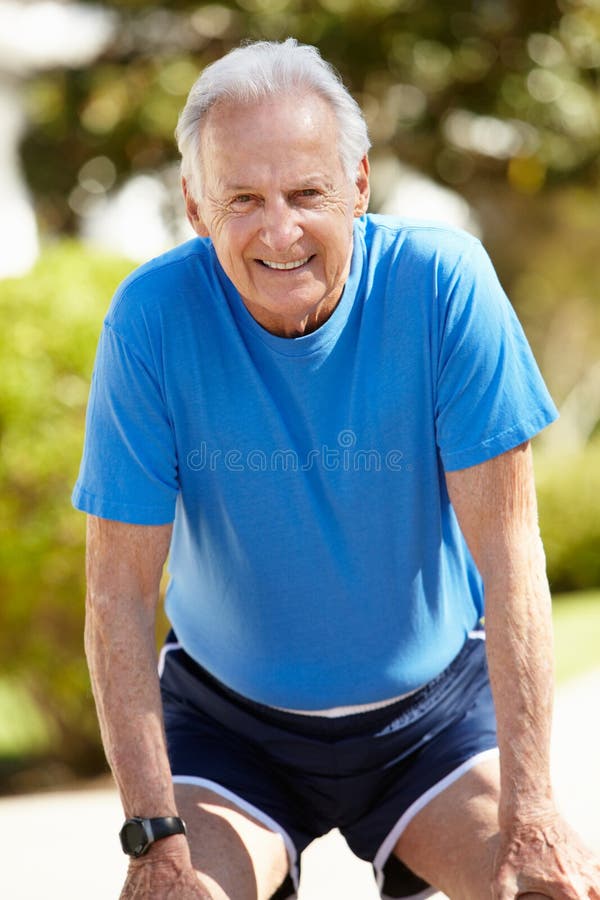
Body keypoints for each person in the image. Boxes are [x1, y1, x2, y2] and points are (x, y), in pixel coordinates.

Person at [73, 38, 600, 900]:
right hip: (229, 727)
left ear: (358, 184)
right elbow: (117, 597)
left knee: (551, 889)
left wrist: (533, 812)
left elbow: (510, 565)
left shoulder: (443, 284)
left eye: (306, 192)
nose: (279, 229)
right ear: (194, 206)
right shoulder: (150, 320)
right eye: (241, 197)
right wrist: (152, 838)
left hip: (431, 719)